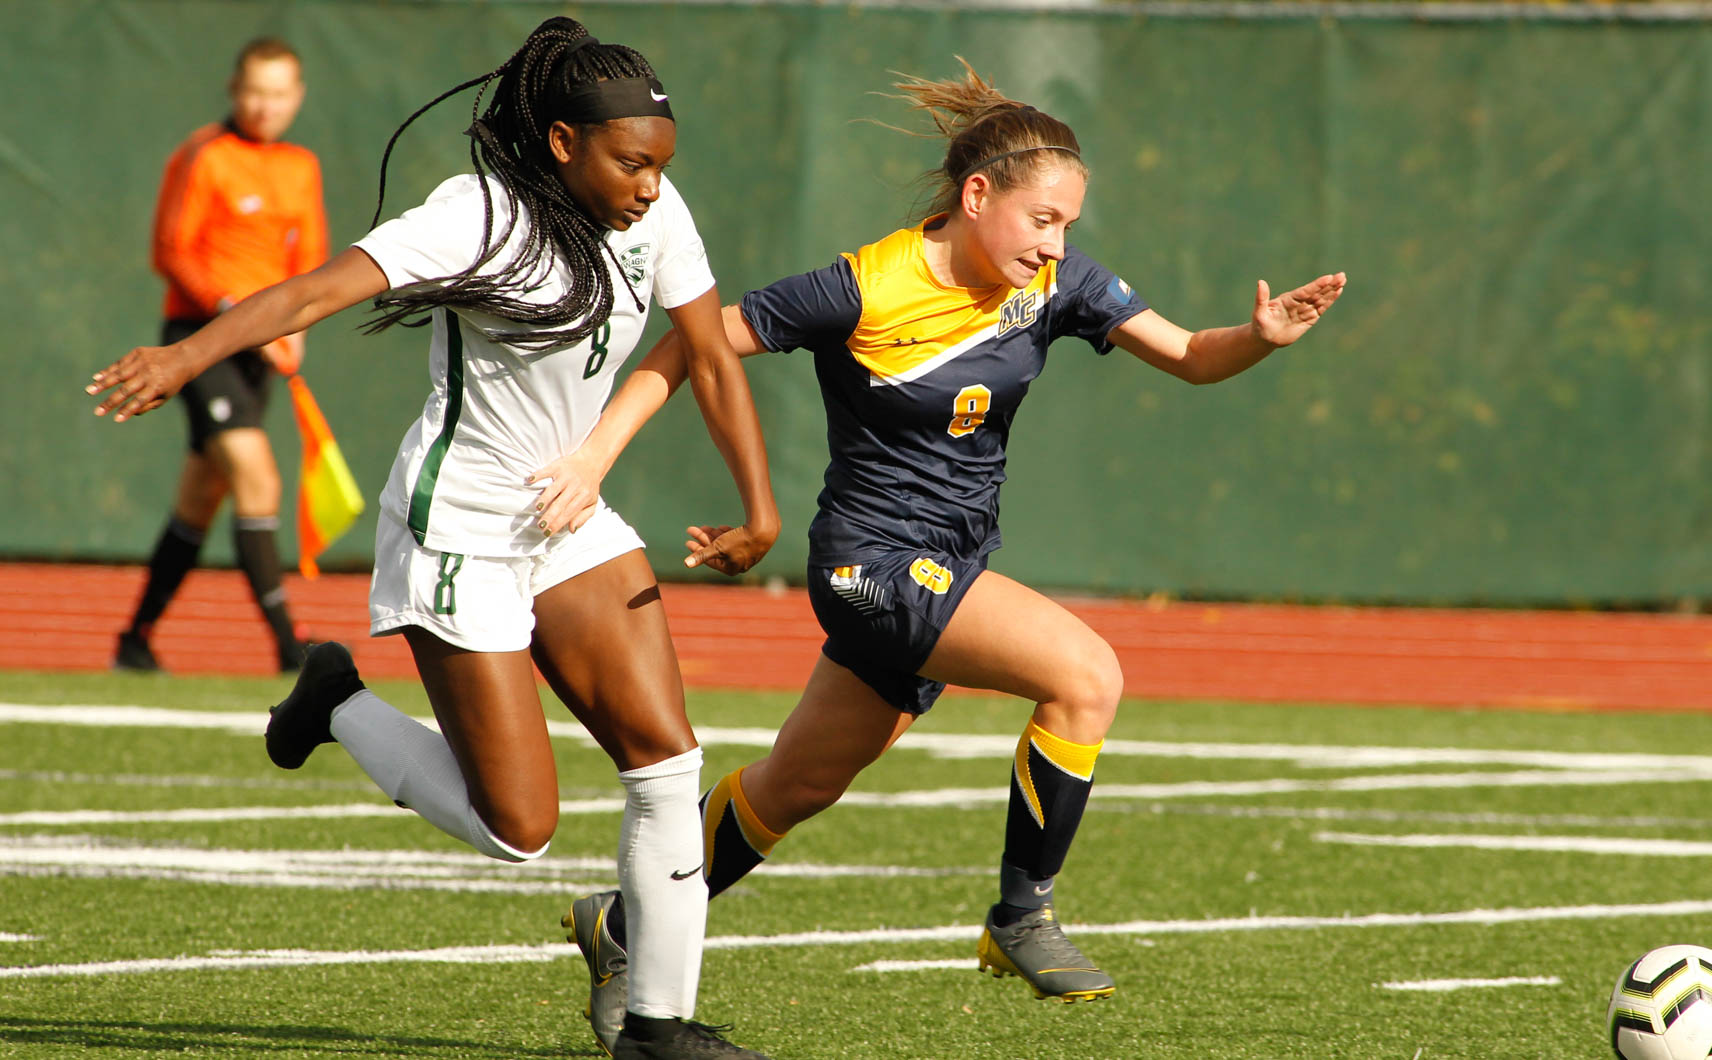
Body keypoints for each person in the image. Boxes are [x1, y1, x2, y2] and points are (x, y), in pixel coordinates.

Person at [579, 59, 1347, 1009]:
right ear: (977, 195)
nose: (1057, 242)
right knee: (1086, 675)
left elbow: (1190, 356)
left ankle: (621, 921)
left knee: (796, 785)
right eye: (1042, 219)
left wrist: (1258, 336)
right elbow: (691, 344)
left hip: (950, 561)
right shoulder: (864, 287)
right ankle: (1021, 914)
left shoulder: (1056, 284)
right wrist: (594, 456)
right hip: (872, 563)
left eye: (1067, 223)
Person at [89, 17, 781, 1060]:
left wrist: (760, 507)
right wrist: (187, 356)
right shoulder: (480, 216)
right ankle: (336, 698)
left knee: (667, 764)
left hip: (568, 512)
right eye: (630, 162)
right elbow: (321, 287)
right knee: (520, 827)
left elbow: (709, 355)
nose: (649, 185)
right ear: (561, 143)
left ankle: (656, 1026)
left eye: (659, 165)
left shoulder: (656, 209)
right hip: (459, 523)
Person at [116, 37, 329, 674]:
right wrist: (236, 307)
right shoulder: (205, 155)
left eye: (279, 93)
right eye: (255, 91)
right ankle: (289, 648)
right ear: (235, 91)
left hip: (263, 354)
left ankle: (134, 640)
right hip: (202, 342)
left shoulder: (301, 166)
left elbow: (310, 263)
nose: (266, 105)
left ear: (297, 98)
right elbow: (171, 251)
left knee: (200, 498)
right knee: (258, 478)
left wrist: (295, 332)